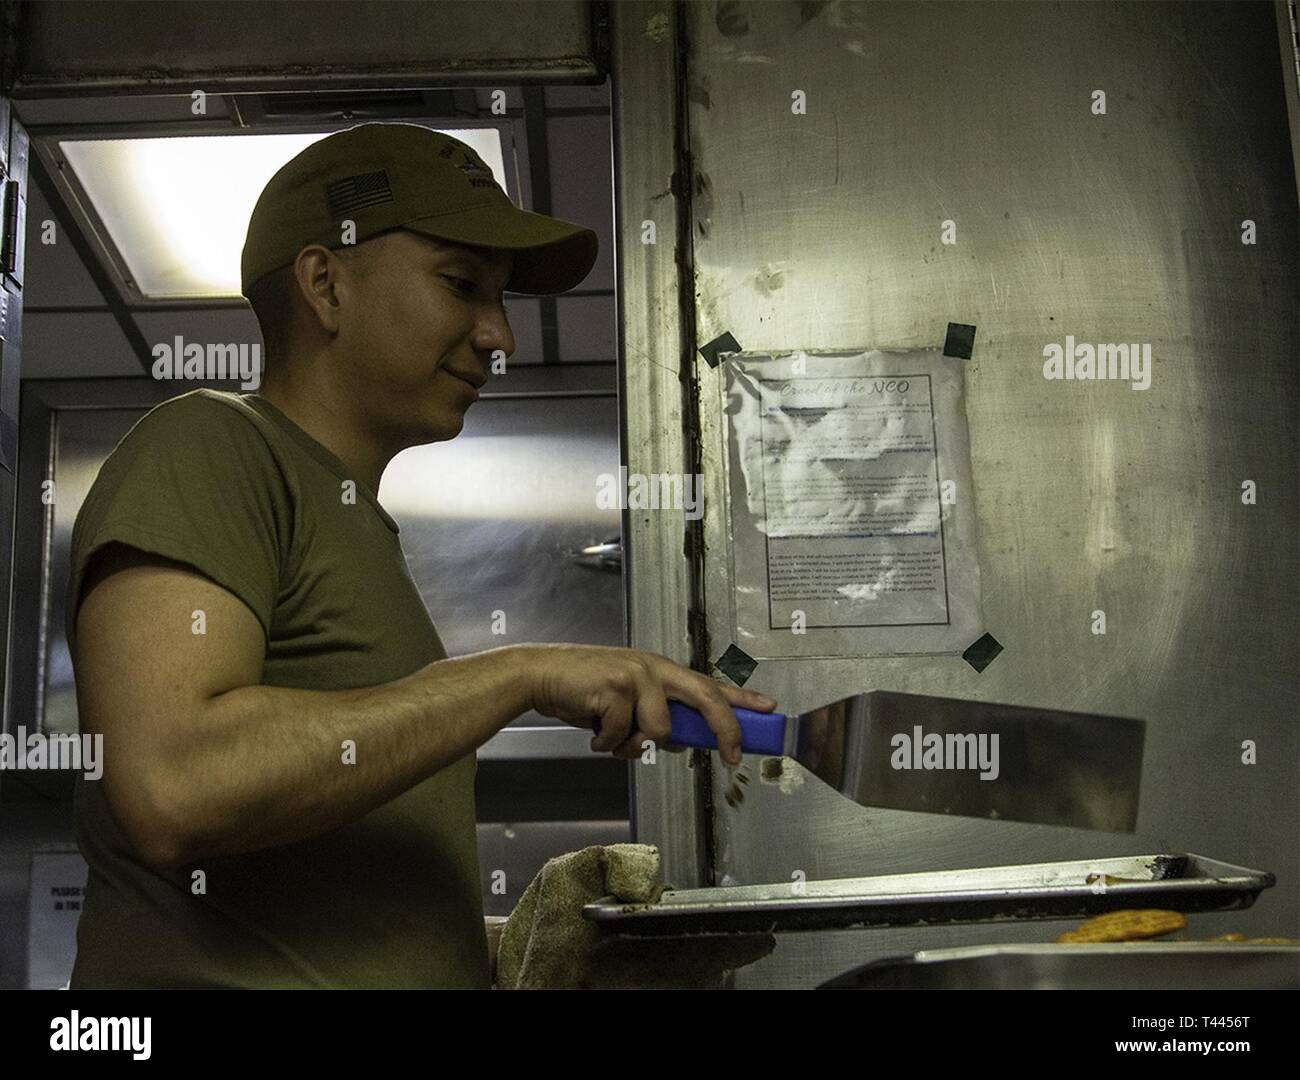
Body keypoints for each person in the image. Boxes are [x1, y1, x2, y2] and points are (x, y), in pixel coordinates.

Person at [65, 122, 774, 988]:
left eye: (501, 299)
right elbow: (172, 783)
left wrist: (528, 949)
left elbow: (323, 916)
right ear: (326, 284)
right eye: (462, 285)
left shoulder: (358, 529)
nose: (499, 336)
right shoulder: (209, 444)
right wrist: (516, 674)